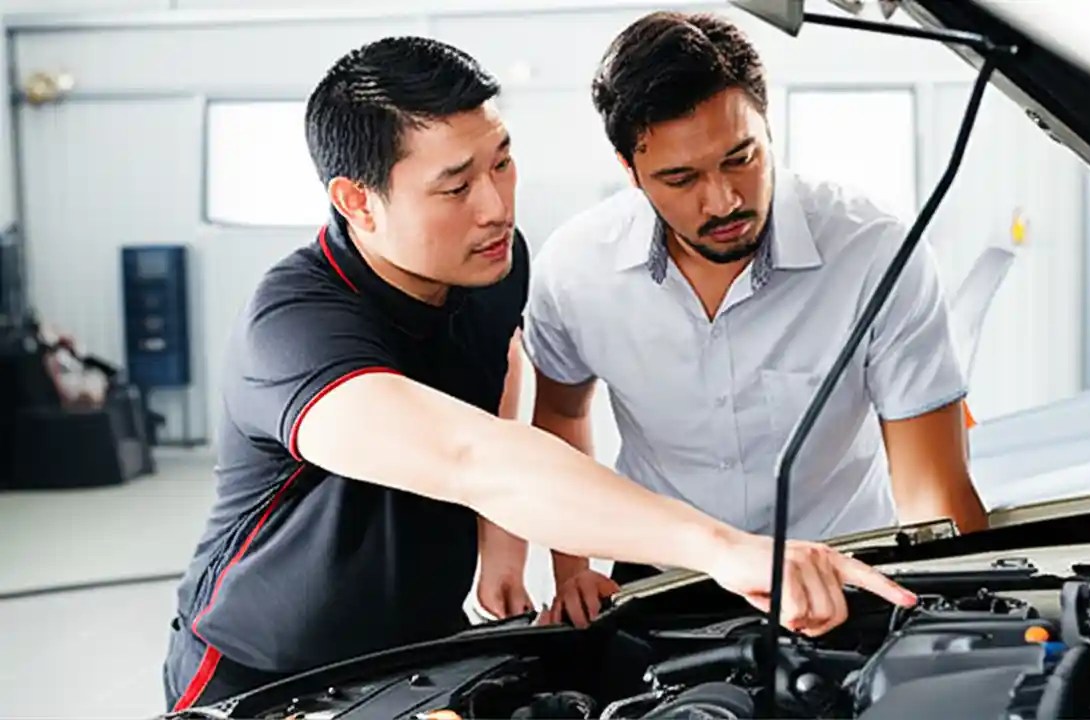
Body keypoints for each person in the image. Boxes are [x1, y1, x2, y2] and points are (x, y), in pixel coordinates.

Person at [161, 35, 916, 712]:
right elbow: (471, 456)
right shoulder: (291, 330)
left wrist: (503, 546)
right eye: (455, 187)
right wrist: (725, 547)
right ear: (358, 201)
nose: (495, 207)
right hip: (269, 678)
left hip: (422, 652)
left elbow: (503, 370)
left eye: (502, 161)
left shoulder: (492, 264)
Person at [520, 11, 989, 628]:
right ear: (628, 169)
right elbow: (561, 414)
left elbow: (933, 492)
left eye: (741, 158)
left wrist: (960, 621)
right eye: (680, 178)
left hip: (844, 571)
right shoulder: (575, 267)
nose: (723, 201)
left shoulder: (876, 252)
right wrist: (572, 570)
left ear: (770, 129)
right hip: (663, 580)